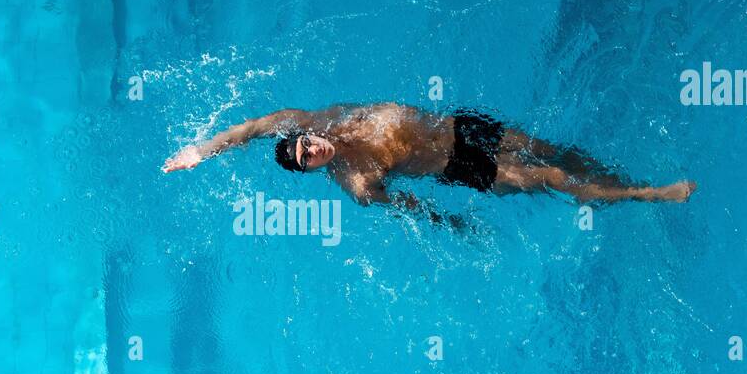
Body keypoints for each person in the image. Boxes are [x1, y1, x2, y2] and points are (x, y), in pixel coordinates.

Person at [163, 102, 695, 224]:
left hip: (458, 127)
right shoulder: (356, 181)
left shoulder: (319, 118)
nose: (311, 149)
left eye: (304, 143)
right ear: (311, 170)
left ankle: (615, 176)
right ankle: (647, 195)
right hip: (461, 169)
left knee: (551, 149)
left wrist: (200, 151)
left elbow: (251, 130)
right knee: (551, 177)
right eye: (305, 159)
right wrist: (448, 222)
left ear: (305, 133)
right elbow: (404, 206)